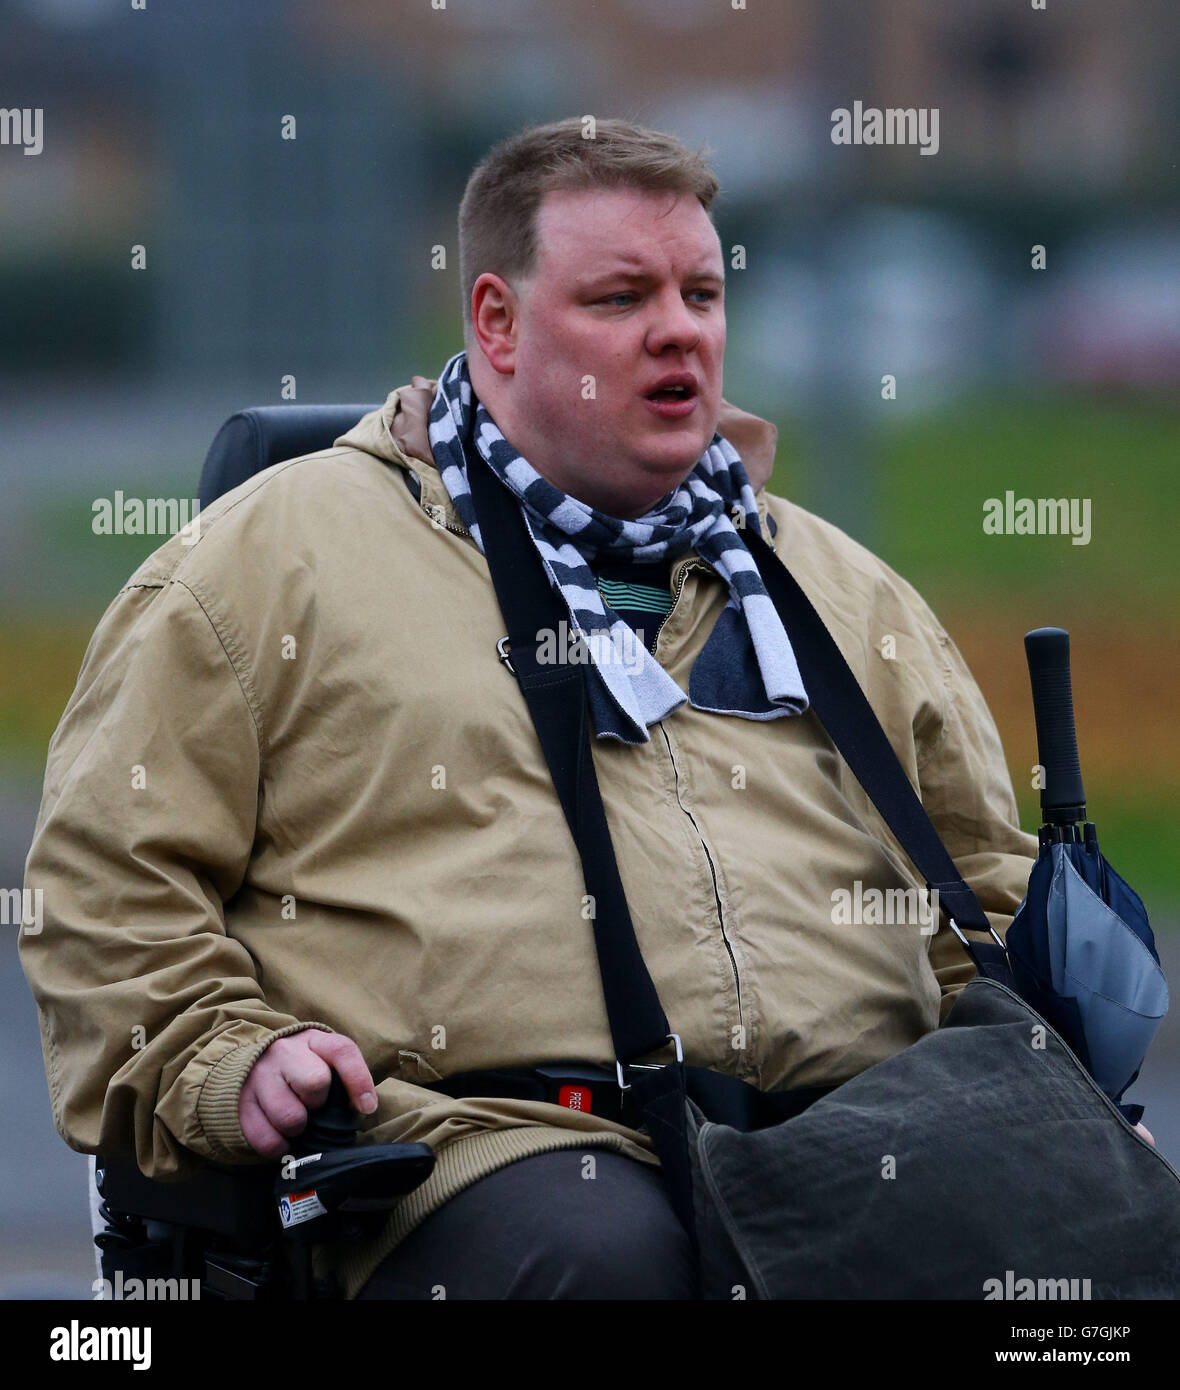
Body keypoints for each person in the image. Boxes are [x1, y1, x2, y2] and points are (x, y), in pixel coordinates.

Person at [21, 117, 1043, 1300]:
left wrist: (1042, 1099)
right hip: (493, 1150)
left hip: (845, 1143)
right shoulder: (268, 566)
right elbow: (104, 884)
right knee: (614, 1261)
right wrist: (226, 1061)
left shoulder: (842, 592)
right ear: (496, 322)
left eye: (700, 292)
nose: (679, 328)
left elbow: (983, 894)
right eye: (620, 297)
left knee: (1071, 1250)